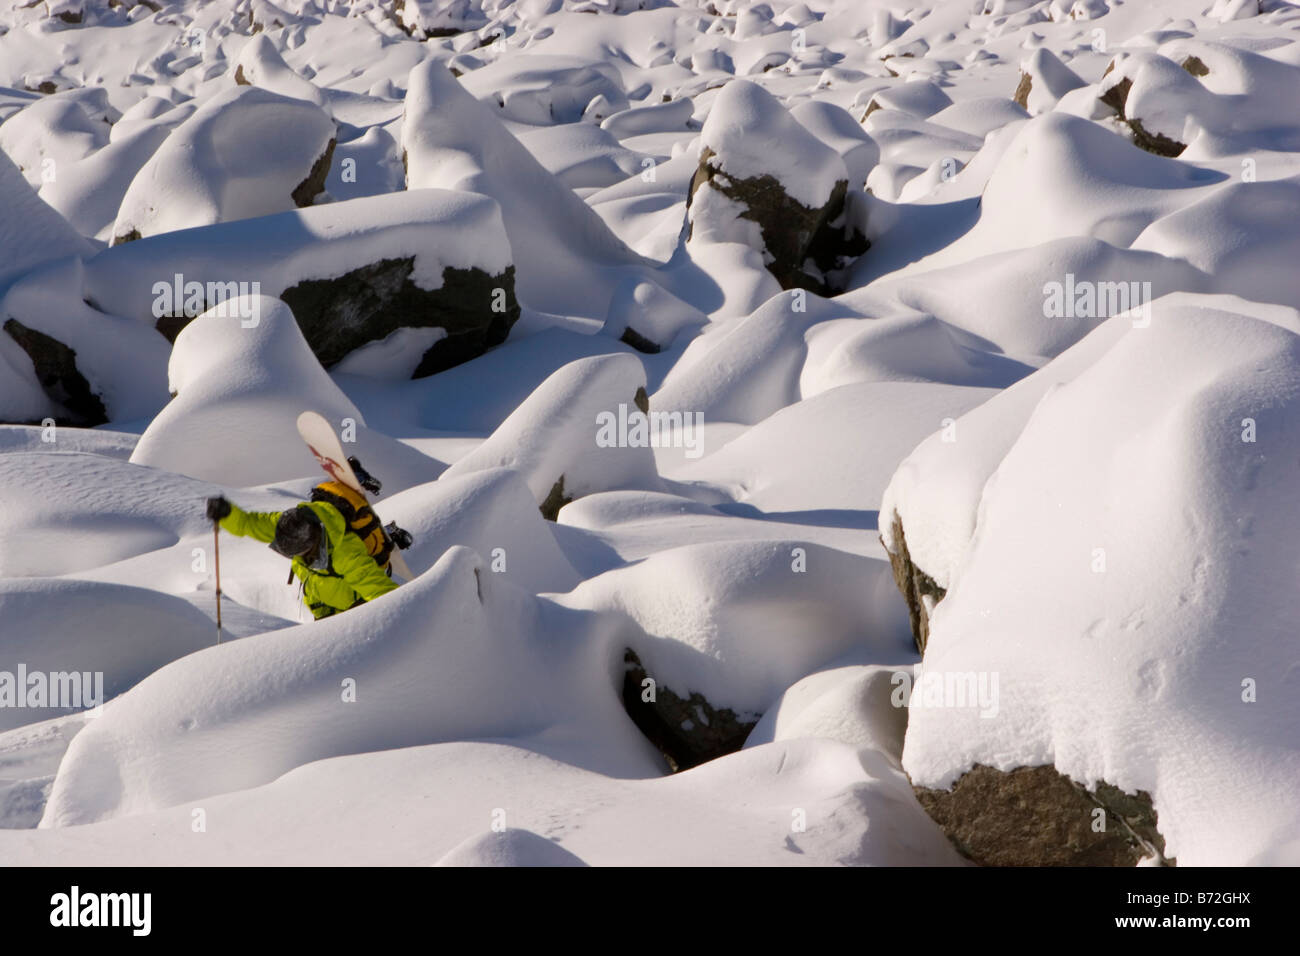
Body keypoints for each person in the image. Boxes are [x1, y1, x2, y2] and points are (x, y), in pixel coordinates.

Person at [206, 494, 398, 620]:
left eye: (299, 553)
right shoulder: (288, 526)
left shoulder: (345, 553)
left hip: (355, 614)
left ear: (313, 542)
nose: (295, 557)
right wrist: (226, 514)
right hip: (324, 616)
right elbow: (251, 524)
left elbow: (383, 594)